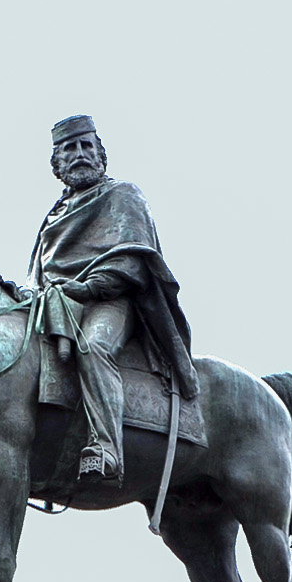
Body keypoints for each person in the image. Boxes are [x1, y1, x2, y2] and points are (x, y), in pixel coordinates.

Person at [29, 115, 197, 481]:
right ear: (56, 163)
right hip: (58, 306)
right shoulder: (53, 216)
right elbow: (39, 275)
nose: (79, 154)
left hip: (111, 301)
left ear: (101, 154)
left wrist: (89, 287)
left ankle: (106, 448)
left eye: (87, 146)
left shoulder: (123, 195)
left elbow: (134, 261)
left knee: (94, 347)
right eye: (69, 148)